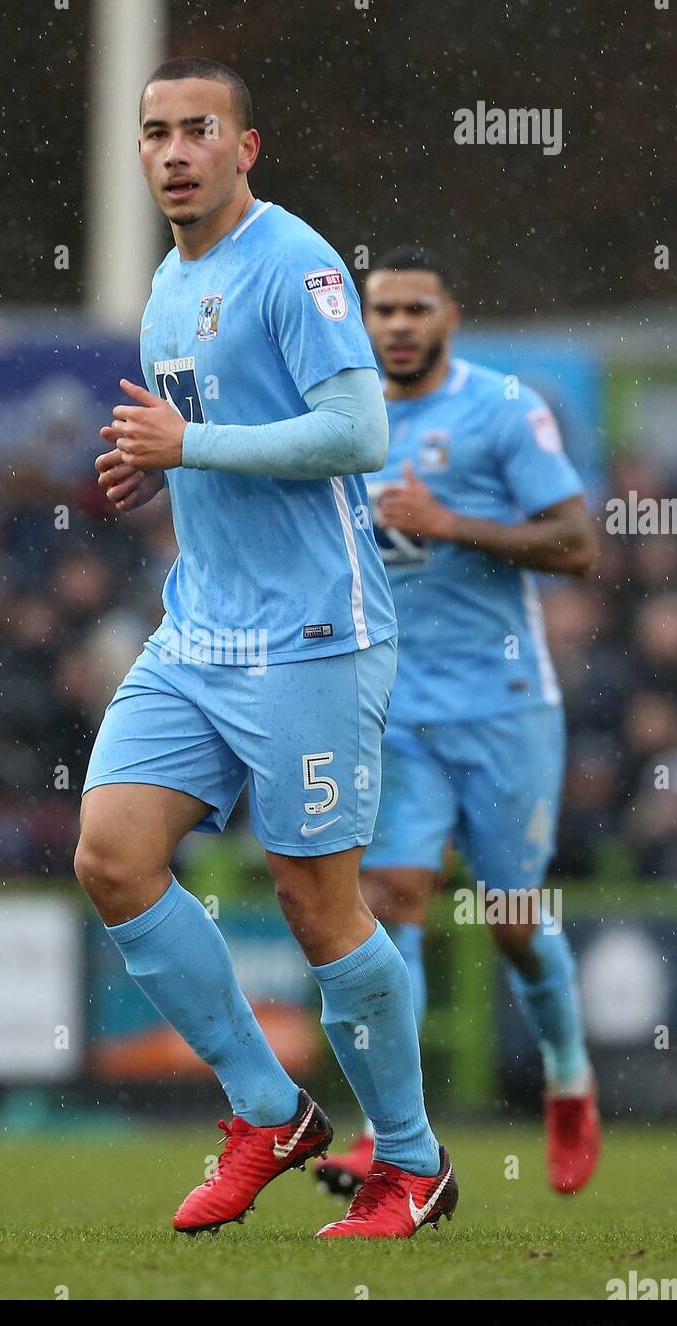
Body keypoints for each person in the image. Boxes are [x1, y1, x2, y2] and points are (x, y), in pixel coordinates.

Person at [74, 62, 457, 1240]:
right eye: (155, 133)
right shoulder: (166, 283)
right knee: (112, 855)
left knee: (315, 904)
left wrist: (192, 441)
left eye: (200, 130)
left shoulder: (294, 263)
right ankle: (266, 1109)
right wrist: (161, 463)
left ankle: (411, 1161)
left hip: (311, 637)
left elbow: (358, 428)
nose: (176, 149)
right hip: (201, 630)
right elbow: (216, 442)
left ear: (247, 147)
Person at [314, 247, 600, 1200]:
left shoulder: (504, 408)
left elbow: (575, 541)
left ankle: (568, 1074)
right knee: (392, 897)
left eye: (415, 309)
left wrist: (452, 523)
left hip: (505, 707)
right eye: (382, 310)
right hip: (394, 710)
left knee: (512, 918)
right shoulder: (342, 418)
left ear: (451, 316)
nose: (397, 325)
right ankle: (394, 1135)